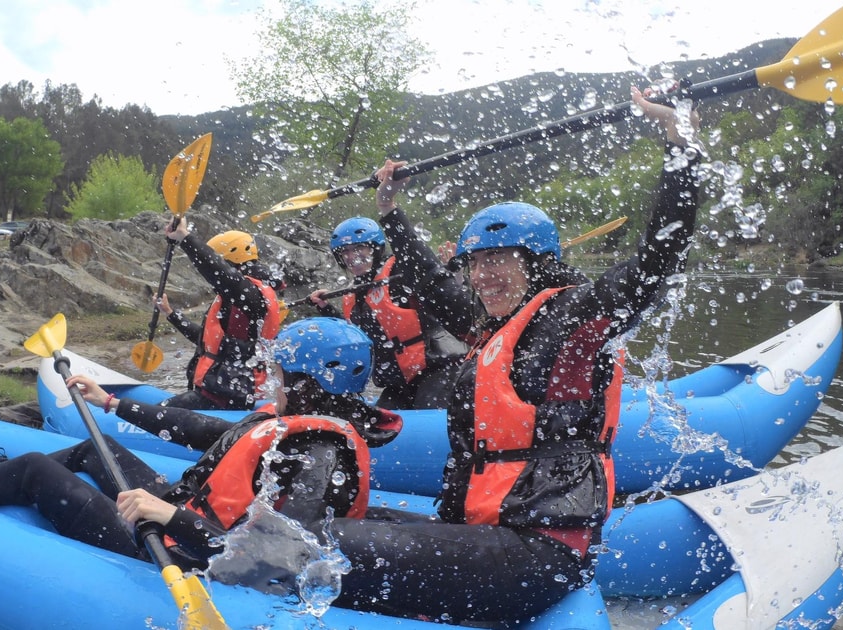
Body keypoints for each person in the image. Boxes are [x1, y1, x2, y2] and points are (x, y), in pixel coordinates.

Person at [291, 85, 699, 624]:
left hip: (537, 553)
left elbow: (656, 259)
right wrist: (390, 212)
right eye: (476, 263)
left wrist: (678, 143)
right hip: (484, 533)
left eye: (499, 260)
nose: (482, 275)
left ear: (537, 263)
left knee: (302, 540)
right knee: (314, 515)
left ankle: (192, 540)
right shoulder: (493, 324)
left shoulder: (572, 320)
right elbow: (433, 280)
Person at [0, 318, 401, 586]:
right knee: (100, 447)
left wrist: (169, 516)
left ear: (309, 382)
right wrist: (113, 402)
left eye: (282, 373)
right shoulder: (296, 424)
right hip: (186, 512)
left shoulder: (318, 456)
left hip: (182, 550)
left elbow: (278, 555)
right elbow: (206, 431)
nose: (273, 380)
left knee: (32, 470)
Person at [308, 217, 466, 409]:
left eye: (359, 248)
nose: (352, 256)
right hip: (399, 382)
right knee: (380, 429)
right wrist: (326, 308)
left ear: (375, 249)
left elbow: (419, 264)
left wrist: (451, 274)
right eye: (345, 252)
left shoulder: (400, 273)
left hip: (437, 370)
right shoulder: (354, 293)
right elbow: (354, 339)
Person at [157, 219, 283, 410]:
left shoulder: (251, 296)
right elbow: (206, 341)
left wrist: (185, 237)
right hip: (217, 393)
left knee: (149, 415)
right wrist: (170, 313)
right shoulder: (237, 296)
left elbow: (218, 272)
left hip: (228, 398)